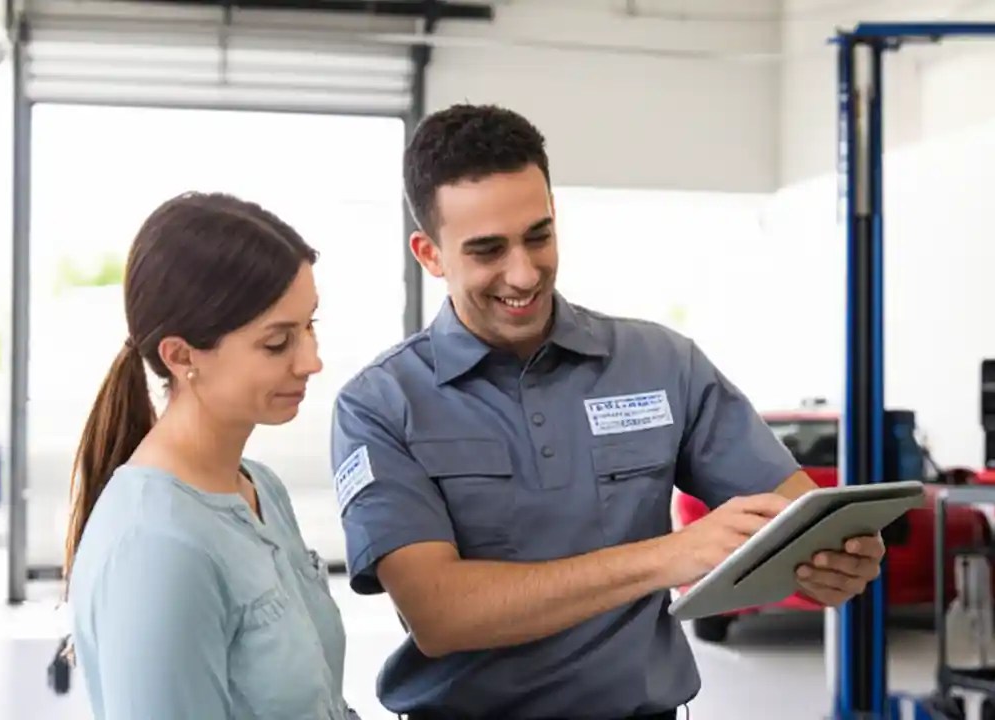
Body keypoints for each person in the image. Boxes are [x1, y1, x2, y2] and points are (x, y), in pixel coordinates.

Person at [329, 104, 886, 719]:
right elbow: (440, 615)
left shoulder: (660, 363)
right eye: (488, 250)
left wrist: (832, 558)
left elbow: (795, 511)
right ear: (429, 255)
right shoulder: (379, 405)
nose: (523, 272)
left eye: (538, 235)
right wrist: (669, 556)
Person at [65, 192, 358, 719]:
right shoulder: (156, 546)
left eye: (310, 325)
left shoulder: (259, 488)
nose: (312, 360)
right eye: (277, 343)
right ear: (180, 357)